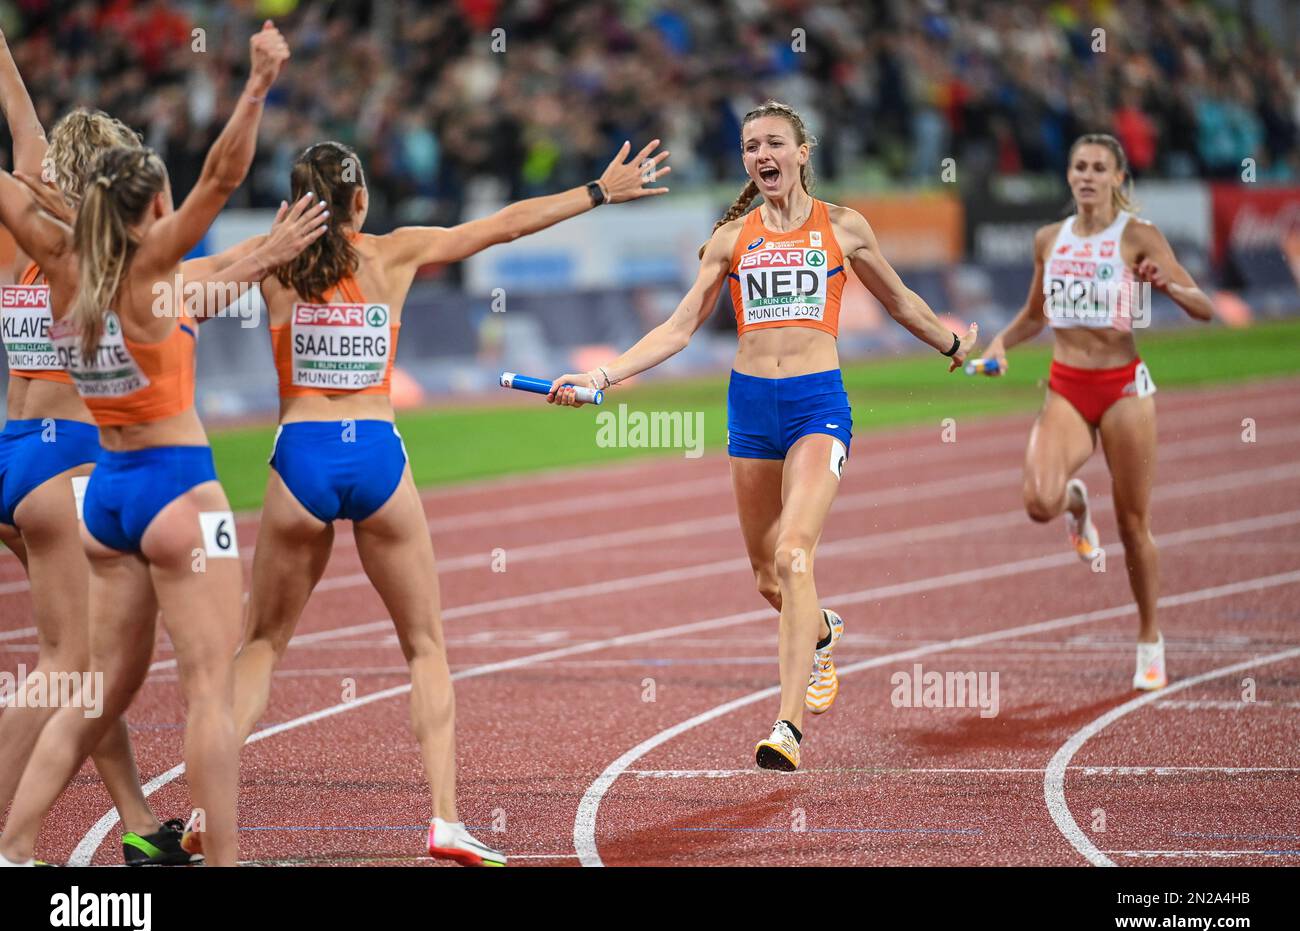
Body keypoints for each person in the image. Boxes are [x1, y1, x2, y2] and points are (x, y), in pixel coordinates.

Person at [222, 137, 670, 866]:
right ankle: (444, 820)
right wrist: (596, 190)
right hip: (376, 456)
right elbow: (501, 226)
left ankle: (211, 808)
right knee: (425, 646)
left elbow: (180, 284)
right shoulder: (393, 254)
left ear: (294, 201)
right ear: (361, 201)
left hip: (300, 456)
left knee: (263, 646)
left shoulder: (266, 263)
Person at [549, 101, 977, 771]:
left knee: (794, 556)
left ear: (804, 152)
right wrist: (603, 375)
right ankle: (823, 630)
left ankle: (787, 727)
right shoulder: (731, 237)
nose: (762, 154)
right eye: (752, 146)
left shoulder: (844, 226)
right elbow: (679, 328)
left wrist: (952, 342)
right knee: (765, 575)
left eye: (775, 142)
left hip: (817, 407)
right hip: (750, 408)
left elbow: (899, 301)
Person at [0, 21, 292, 868]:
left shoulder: (53, 258)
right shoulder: (156, 274)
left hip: (62, 472)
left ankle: (65, 835)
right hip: (125, 474)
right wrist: (256, 86)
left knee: (92, 680)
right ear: (152, 207)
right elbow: (218, 196)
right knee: (167, 680)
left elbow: (23, 145)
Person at [976, 133, 1213, 691]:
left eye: (1098, 167)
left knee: (1133, 525)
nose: (1086, 175)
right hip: (1066, 386)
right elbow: (1035, 314)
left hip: (1124, 390)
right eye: (1078, 166)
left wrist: (1169, 286)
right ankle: (1074, 500)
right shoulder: (1047, 239)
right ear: (1068, 175)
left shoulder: (1138, 235)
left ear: (1118, 177)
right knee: (1038, 501)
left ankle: (1150, 636)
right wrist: (1001, 343)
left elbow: (1202, 306)